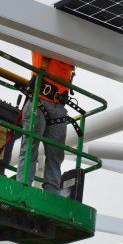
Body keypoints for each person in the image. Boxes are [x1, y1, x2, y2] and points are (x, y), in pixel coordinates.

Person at [16, 51, 75, 194]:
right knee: (30, 148)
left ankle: (52, 194)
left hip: (59, 106)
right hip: (39, 100)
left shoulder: (73, 52)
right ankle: (23, 188)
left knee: (56, 154)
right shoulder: (44, 43)